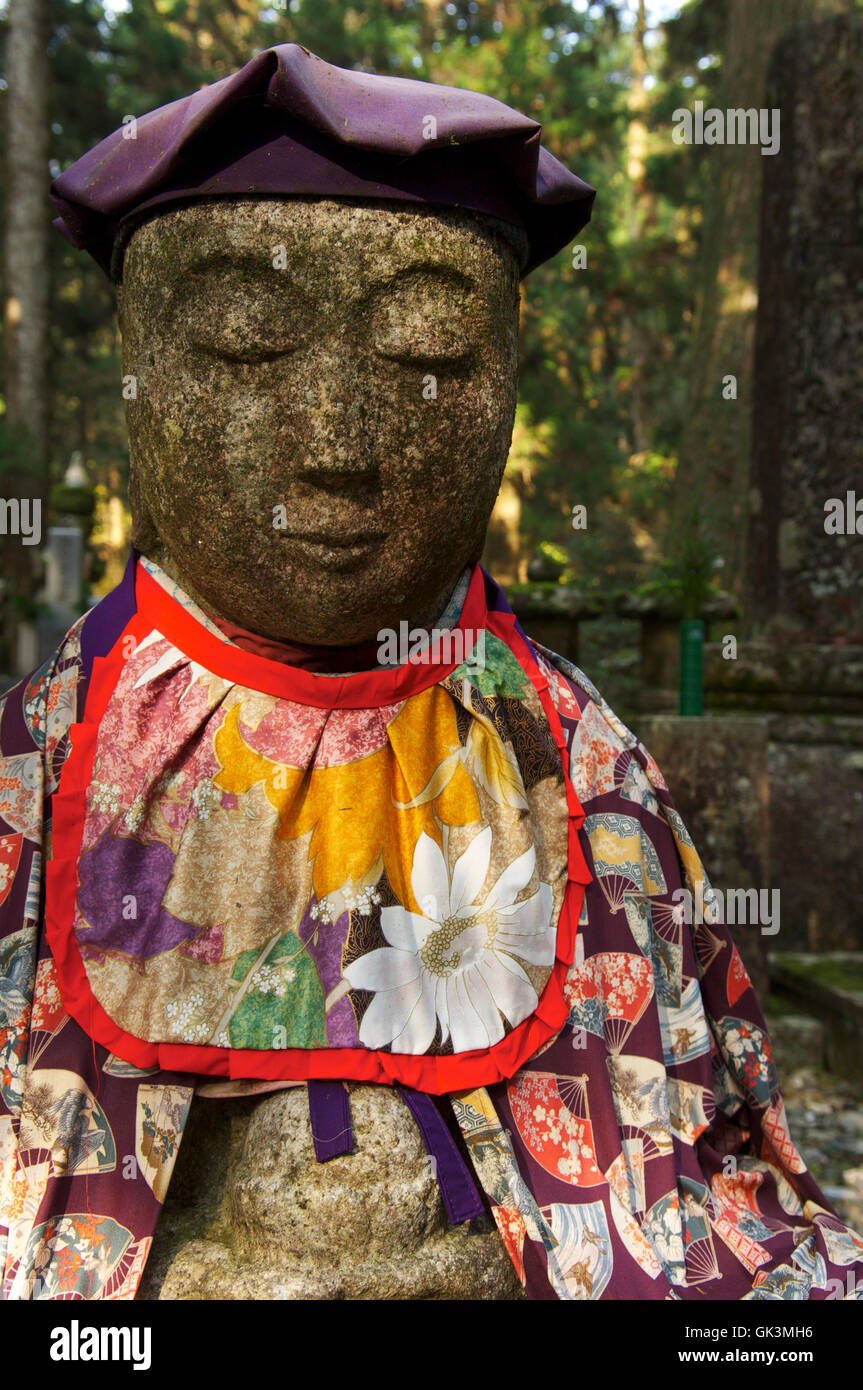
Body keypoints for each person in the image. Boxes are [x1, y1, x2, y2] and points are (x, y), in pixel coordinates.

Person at [0, 43, 860, 1302]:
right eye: (244, 343)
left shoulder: (565, 753)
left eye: (427, 348)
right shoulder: (50, 757)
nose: (339, 446)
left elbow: (671, 1184)